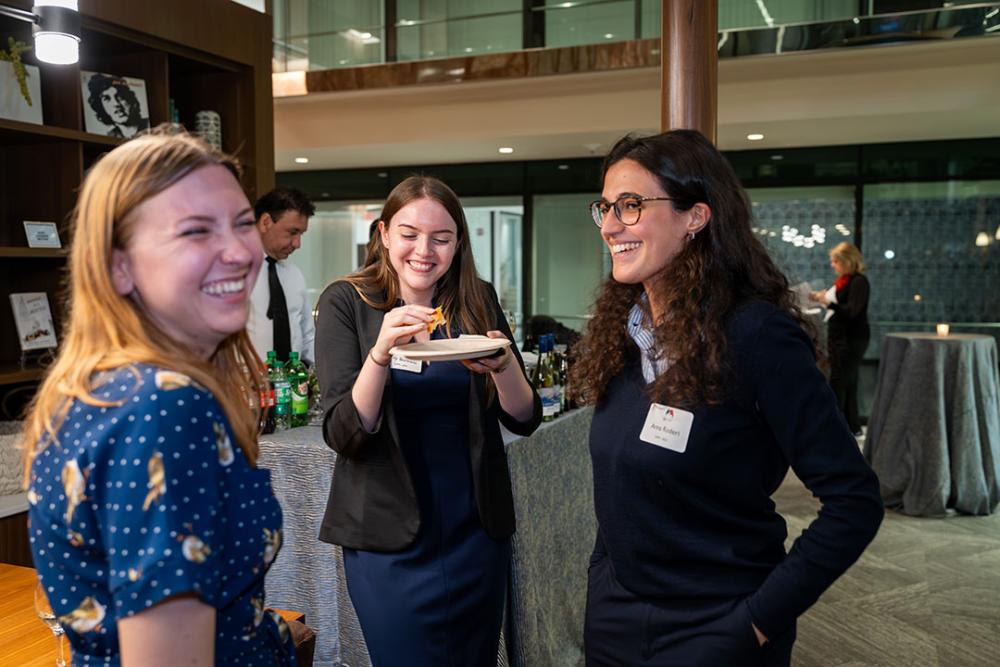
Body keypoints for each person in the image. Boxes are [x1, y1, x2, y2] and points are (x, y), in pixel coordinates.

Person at [570, 130, 883, 666]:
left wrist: (756, 624)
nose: (611, 225)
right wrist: (605, 586)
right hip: (617, 626)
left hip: (718, 627)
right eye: (605, 207)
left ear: (696, 216)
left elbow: (854, 503)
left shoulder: (756, 336)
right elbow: (623, 491)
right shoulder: (623, 336)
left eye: (631, 205)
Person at [21, 130, 297, 666]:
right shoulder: (165, 407)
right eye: (195, 232)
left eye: (243, 223)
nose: (240, 251)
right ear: (119, 266)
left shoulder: (101, 387)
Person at [314, 175, 541, 666]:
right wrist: (379, 355)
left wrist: (502, 366)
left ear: (459, 242)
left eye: (441, 238)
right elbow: (344, 432)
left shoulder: (475, 298)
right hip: (387, 538)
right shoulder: (348, 301)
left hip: (474, 529)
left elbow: (524, 417)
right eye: (410, 234)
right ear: (384, 235)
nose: (424, 250)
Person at [248, 187, 316, 364]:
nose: (297, 243)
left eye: (301, 234)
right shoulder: (235, 273)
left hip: (291, 384)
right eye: (292, 232)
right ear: (265, 222)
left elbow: (308, 337)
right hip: (247, 383)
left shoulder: (294, 275)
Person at [809, 242, 871, 435]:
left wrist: (829, 303)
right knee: (848, 383)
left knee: (839, 382)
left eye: (836, 261)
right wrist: (821, 298)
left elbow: (853, 311)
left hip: (851, 339)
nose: (832, 265)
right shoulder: (843, 281)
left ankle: (835, 429)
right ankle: (852, 427)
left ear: (847, 261)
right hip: (838, 338)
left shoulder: (859, 281)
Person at [86, 73, 150, 139]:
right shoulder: (109, 137)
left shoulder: (151, 128)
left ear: (131, 100)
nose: (116, 104)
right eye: (106, 99)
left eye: (120, 96)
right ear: (101, 108)